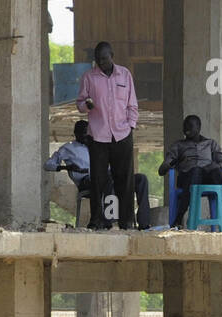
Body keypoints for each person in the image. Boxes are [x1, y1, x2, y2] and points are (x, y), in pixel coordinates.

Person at [76, 42, 139, 230]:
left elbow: (132, 105)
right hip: (98, 136)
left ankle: (127, 221)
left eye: (104, 58)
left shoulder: (125, 75)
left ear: (112, 55)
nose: (101, 63)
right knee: (98, 180)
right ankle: (96, 220)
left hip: (122, 135)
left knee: (125, 180)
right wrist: (86, 105)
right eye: (97, 59)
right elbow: (80, 103)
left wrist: (130, 126)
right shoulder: (89, 77)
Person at [46, 120, 151, 230]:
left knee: (140, 179)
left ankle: (144, 223)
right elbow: (48, 164)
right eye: (83, 134)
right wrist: (66, 167)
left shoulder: (97, 145)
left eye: (88, 134)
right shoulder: (68, 148)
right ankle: (108, 221)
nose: (86, 137)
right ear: (76, 134)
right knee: (108, 179)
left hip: (108, 175)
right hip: (87, 179)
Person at [158, 114, 222, 231]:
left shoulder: (210, 144)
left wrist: (216, 165)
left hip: (208, 177)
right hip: (187, 177)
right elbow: (162, 170)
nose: (186, 129)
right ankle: (178, 219)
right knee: (196, 170)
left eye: (190, 126)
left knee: (217, 171)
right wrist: (171, 163)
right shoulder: (178, 145)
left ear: (198, 128)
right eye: (185, 126)